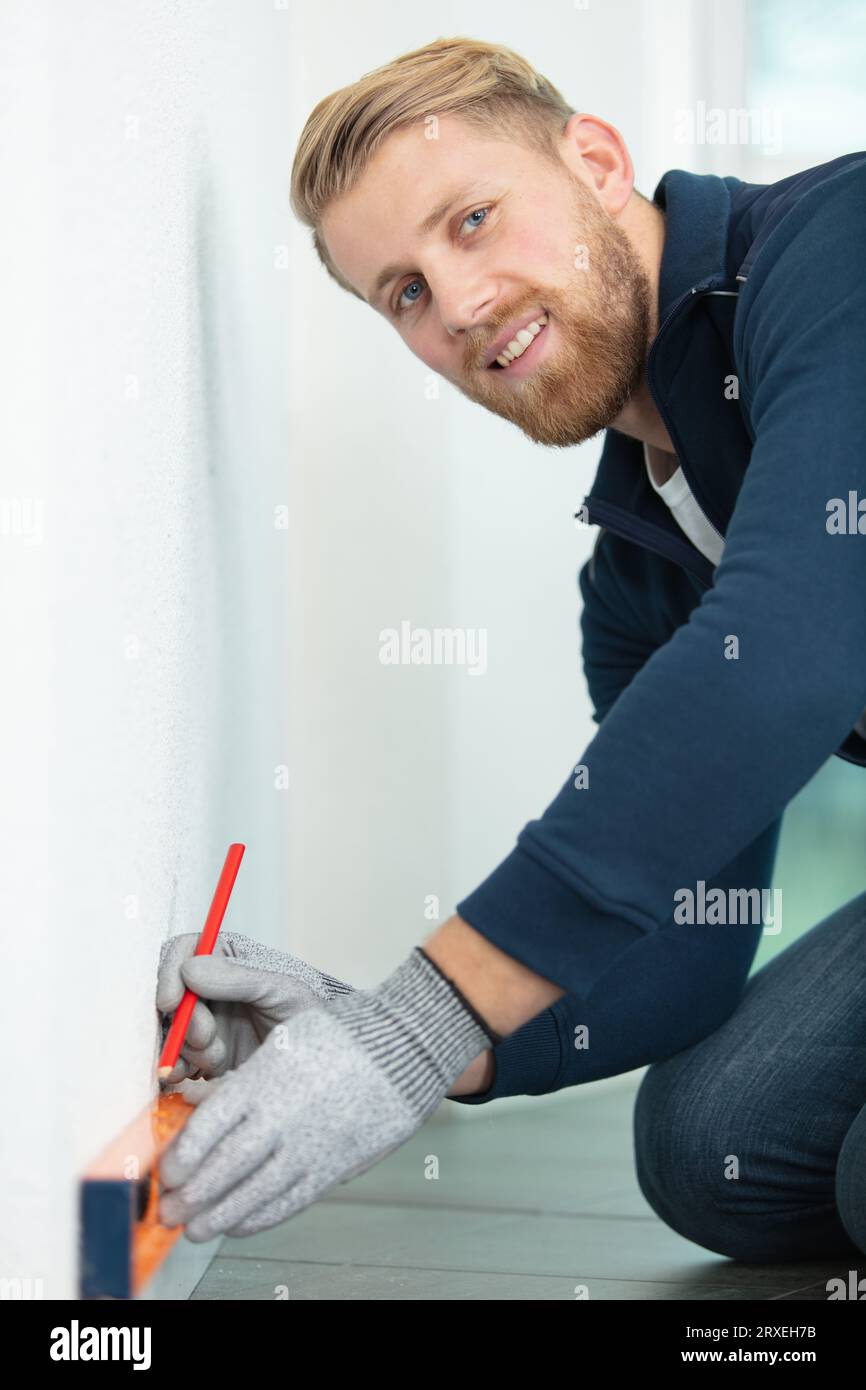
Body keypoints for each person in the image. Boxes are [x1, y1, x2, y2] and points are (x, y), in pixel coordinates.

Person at [156, 37, 866, 1260]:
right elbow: (687, 931)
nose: (462, 304)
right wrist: (379, 1024)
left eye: (472, 220)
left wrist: (415, 1027)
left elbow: (795, 638)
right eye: (406, 293)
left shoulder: (835, 250)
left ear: (593, 160)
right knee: (709, 1150)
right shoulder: (638, 565)